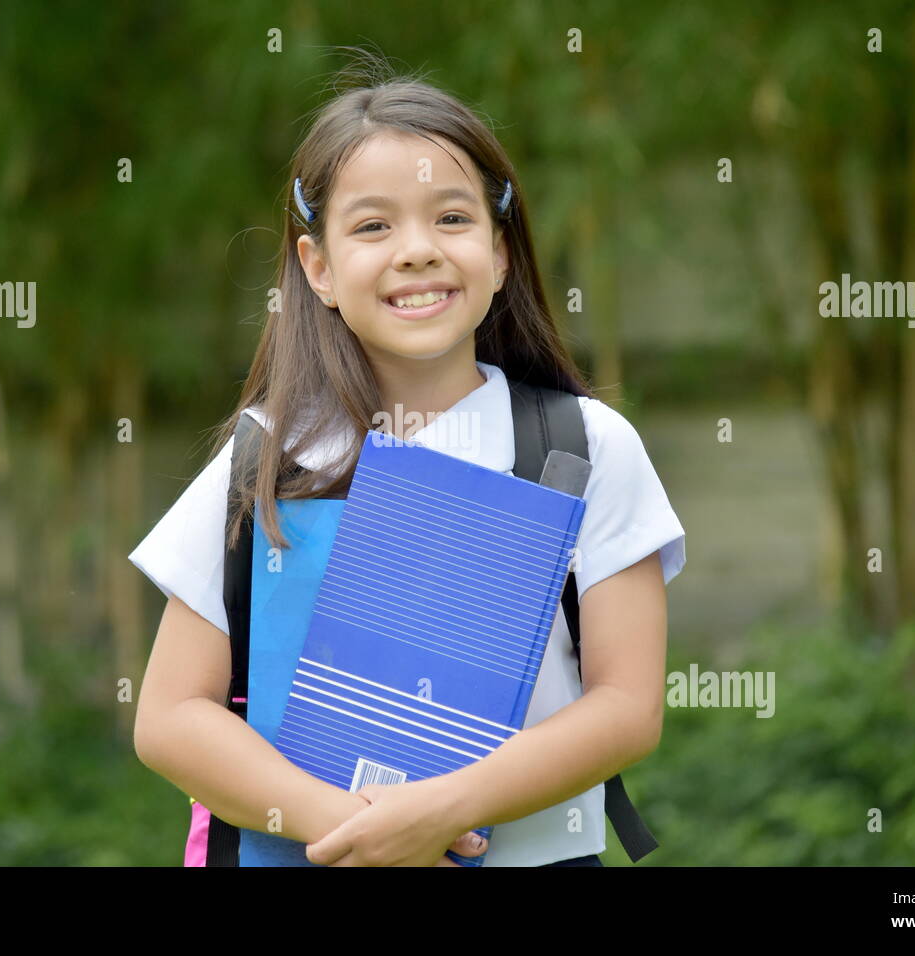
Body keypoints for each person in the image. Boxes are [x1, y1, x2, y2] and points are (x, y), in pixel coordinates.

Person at [129, 63, 685, 867]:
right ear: (317, 268)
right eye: (374, 227)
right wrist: (349, 825)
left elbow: (627, 706)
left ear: (500, 253)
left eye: (452, 218)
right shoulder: (267, 456)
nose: (418, 252)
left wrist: (446, 810)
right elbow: (172, 715)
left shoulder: (582, 448)